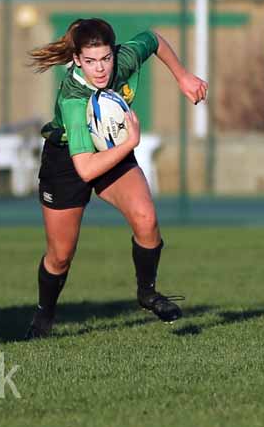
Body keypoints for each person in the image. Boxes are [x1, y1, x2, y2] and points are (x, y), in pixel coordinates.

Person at [25, 18, 208, 339]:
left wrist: (183, 76)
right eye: (91, 61)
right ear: (77, 60)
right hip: (67, 160)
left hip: (112, 147)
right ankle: (45, 313)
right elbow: (85, 169)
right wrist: (130, 144)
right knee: (60, 256)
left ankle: (147, 292)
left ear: (114, 53)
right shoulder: (73, 99)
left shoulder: (123, 59)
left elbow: (153, 39)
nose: (100, 69)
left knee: (146, 219)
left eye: (106, 59)